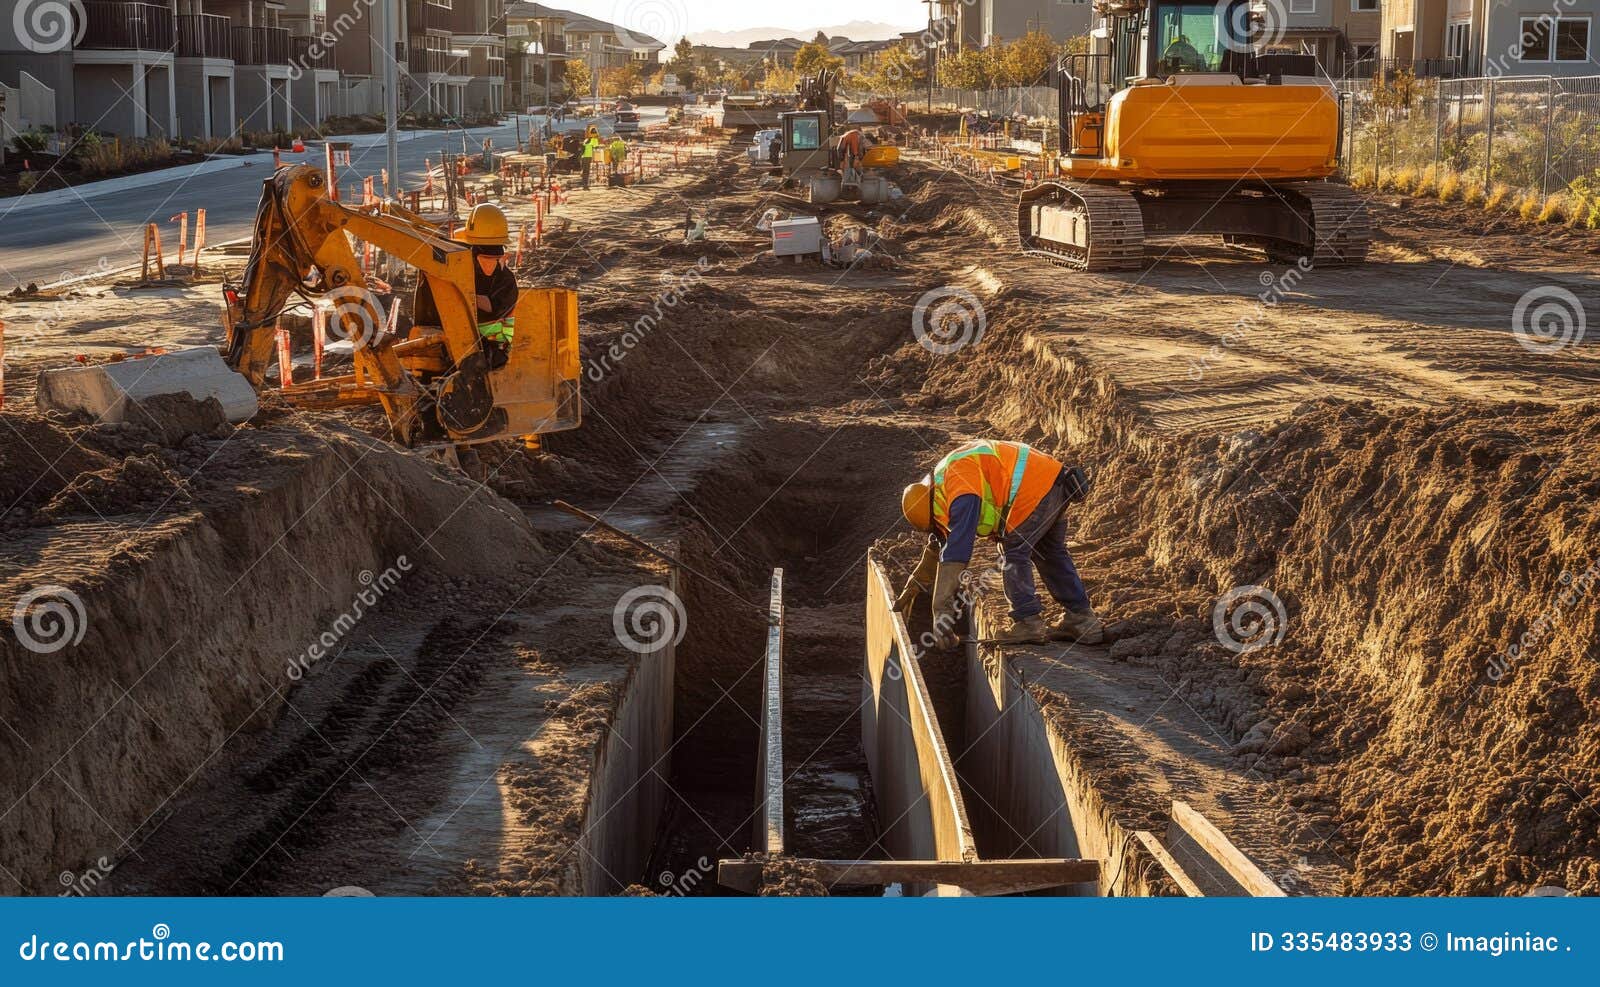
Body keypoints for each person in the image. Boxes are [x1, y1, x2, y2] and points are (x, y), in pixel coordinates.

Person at [895, 439, 1102, 646]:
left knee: (1014, 550)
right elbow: (942, 542)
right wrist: (918, 580)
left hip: (1034, 489)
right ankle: (1082, 619)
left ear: (932, 506)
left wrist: (941, 610)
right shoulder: (945, 481)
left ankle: (1028, 622)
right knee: (1049, 551)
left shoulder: (959, 486)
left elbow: (958, 547)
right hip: (1053, 481)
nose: (943, 527)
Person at [414, 203, 519, 370]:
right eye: (485, 259)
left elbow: (494, 308)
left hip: (494, 349)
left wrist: (459, 294)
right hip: (448, 345)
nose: (490, 266)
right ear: (472, 252)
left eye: (495, 259)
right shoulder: (457, 268)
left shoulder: (506, 280)